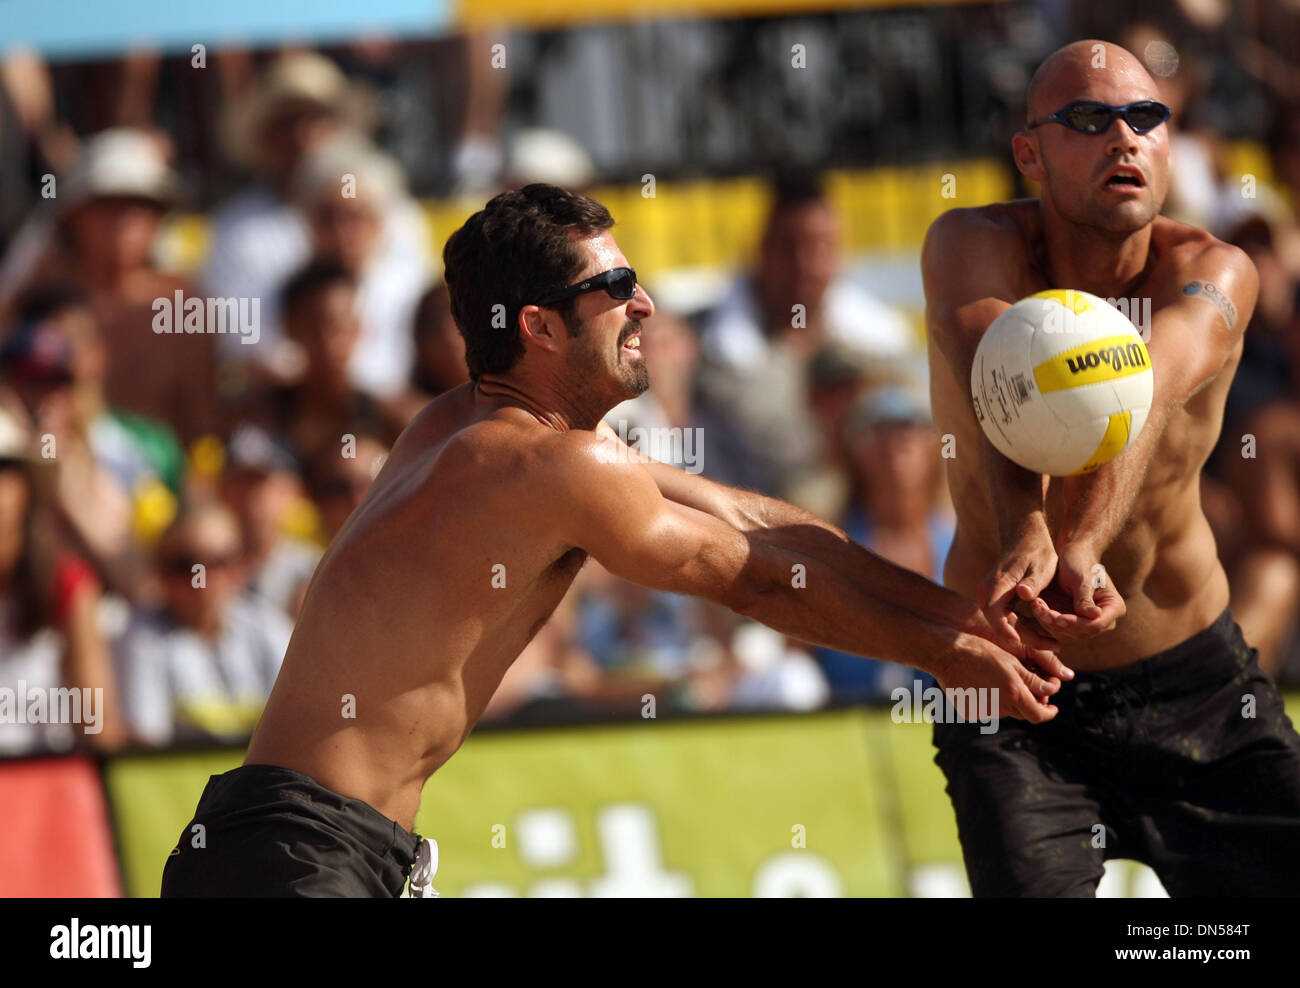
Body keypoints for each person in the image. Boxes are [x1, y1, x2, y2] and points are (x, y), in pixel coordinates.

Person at [161, 184, 1068, 898]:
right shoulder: (546, 466)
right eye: (614, 289)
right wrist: (946, 653)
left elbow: (763, 525)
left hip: (291, 843)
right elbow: (762, 586)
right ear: (540, 327)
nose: (645, 304)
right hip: (300, 856)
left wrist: (969, 622)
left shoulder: (463, 426)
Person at [923, 40, 1300, 897]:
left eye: (1145, 117)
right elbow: (1010, 385)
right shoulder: (971, 245)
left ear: (1171, 143)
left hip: (1196, 681)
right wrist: (1027, 531)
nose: (1123, 138)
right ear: (1030, 153)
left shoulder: (1213, 270)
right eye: (1088, 120)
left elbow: (1142, 393)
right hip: (1015, 687)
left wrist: (1075, 543)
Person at [114, 500, 292, 748]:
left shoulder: (265, 623)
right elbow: (145, 743)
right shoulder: (141, 637)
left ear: (241, 566)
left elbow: (297, 721)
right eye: (184, 564)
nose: (202, 579)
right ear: (159, 572)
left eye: (219, 562)